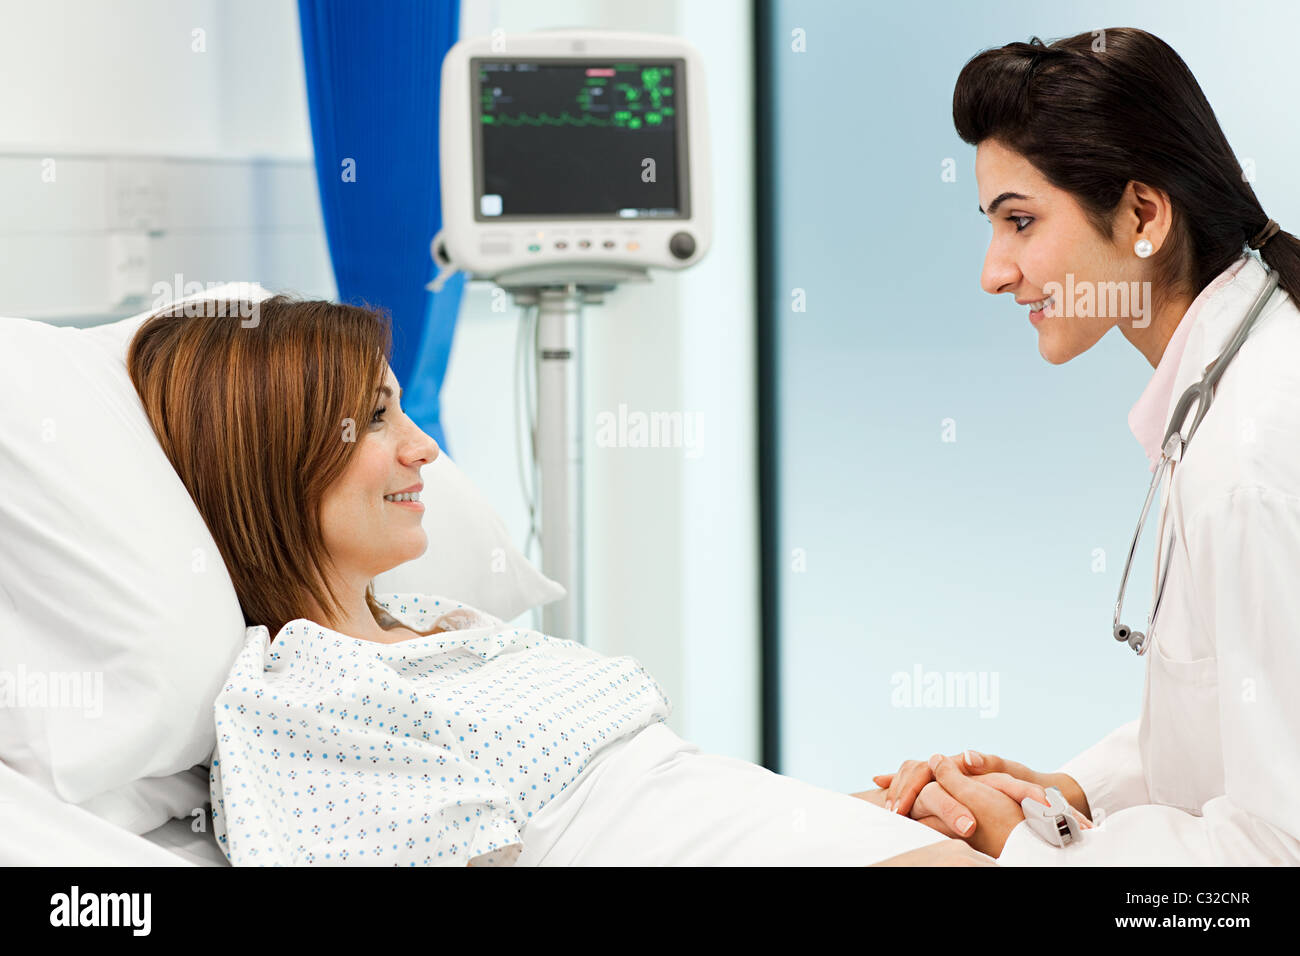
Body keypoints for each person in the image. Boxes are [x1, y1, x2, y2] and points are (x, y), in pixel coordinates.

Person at [127, 294, 991, 866]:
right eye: (377, 417)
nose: (422, 448)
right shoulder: (303, 700)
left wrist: (864, 817)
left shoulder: (440, 625)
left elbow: (662, 810)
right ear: (275, 460)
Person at [876, 27, 1300, 865]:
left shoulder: (1248, 463)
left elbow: (1273, 851)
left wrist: (1032, 853)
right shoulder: (1230, 388)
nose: (995, 272)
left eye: (1021, 222)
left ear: (1143, 214)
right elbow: (1231, 722)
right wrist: (1064, 797)